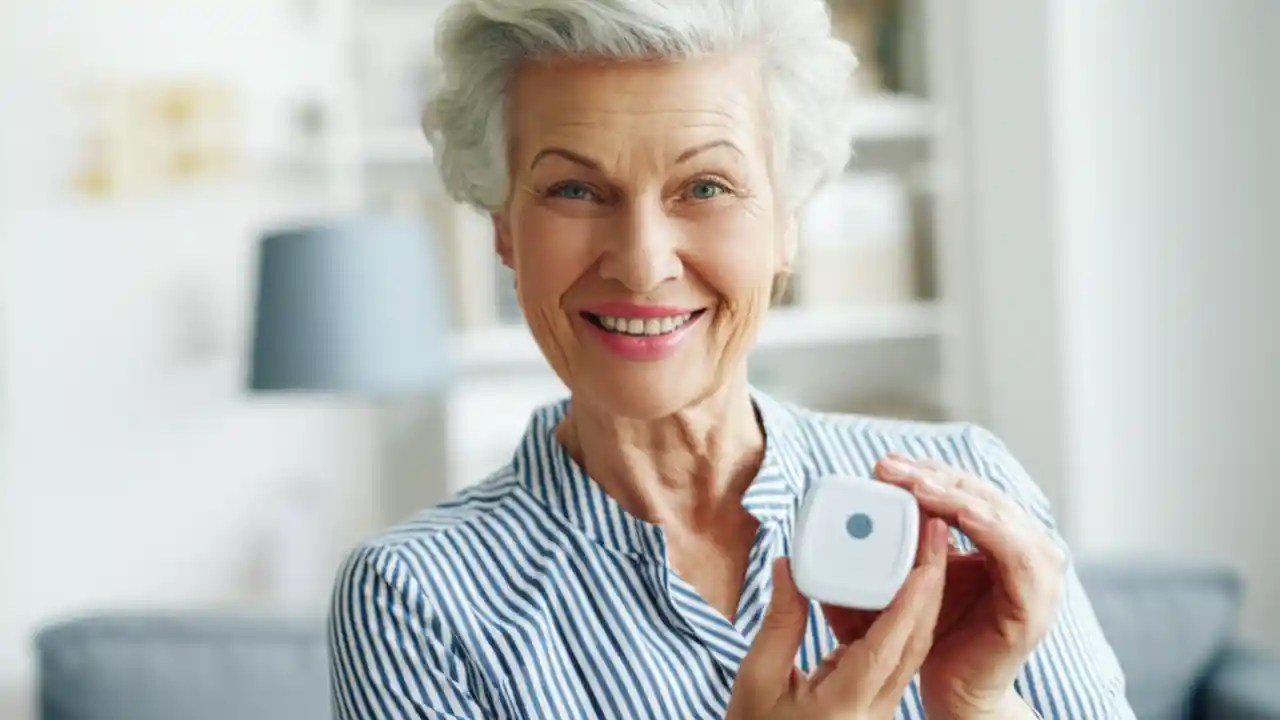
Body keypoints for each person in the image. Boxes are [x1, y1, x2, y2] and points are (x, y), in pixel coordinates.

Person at [328, 1, 1135, 717]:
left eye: (706, 188)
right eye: (575, 191)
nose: (642, 264)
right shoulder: (418, 599)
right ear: (505, 228)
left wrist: (977, 704)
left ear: (787, 221)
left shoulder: (962, 495)